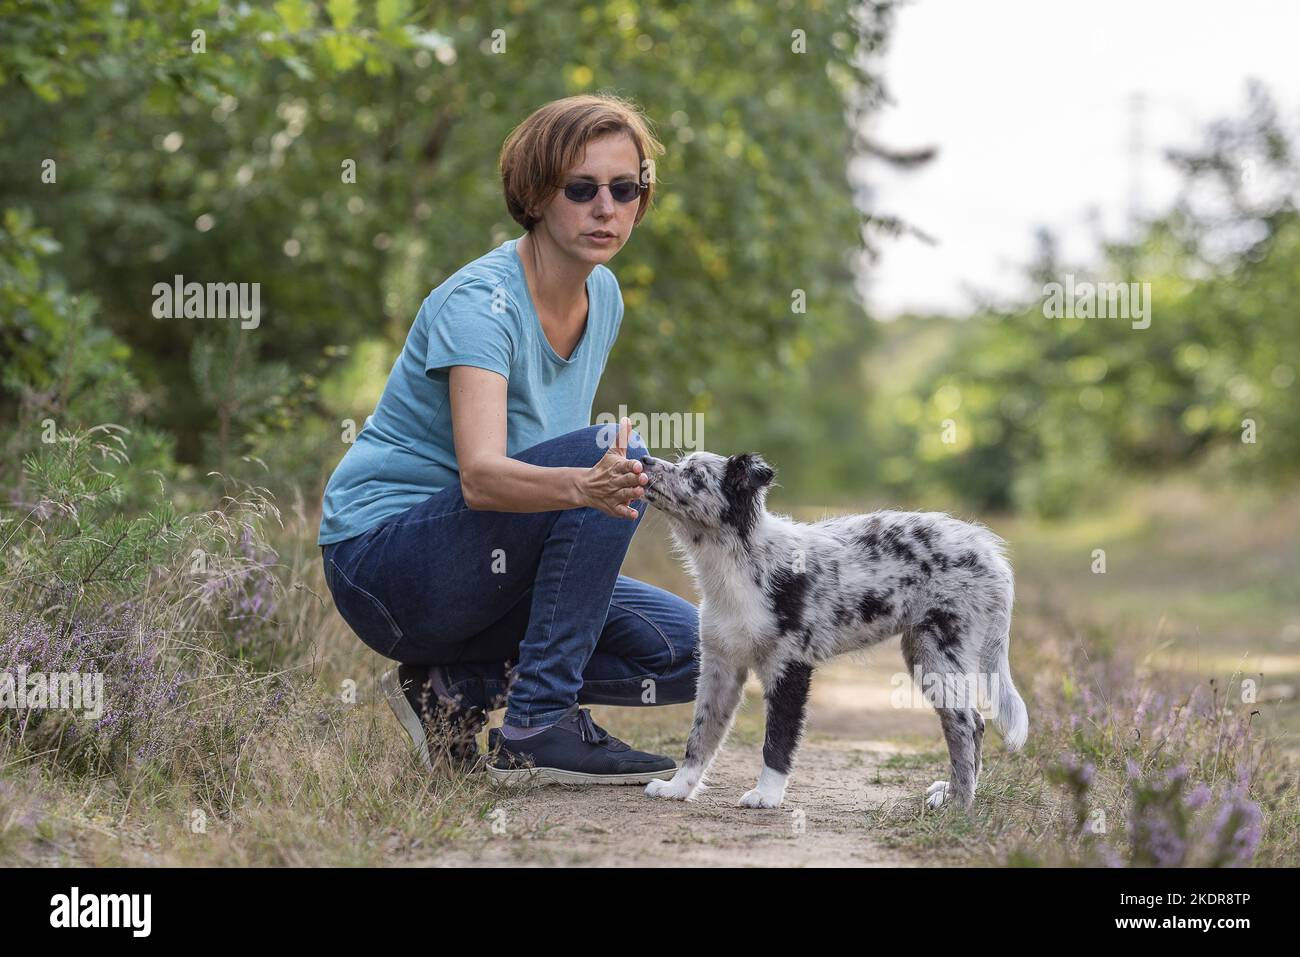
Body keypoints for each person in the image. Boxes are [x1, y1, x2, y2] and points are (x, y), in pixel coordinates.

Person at [318, 94, 700, 785]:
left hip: (487, 558)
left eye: (625, 188)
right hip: (385, 566)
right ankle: (538, 722)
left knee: (697, 649)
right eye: (581, 189)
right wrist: (591, 480)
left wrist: (593, 481)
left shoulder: (603, 295)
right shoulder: (481, 305)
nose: (606, 208)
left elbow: (553, 467)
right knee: (610, 455)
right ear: (534, 194)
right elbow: (483, 477)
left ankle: (453, 690)